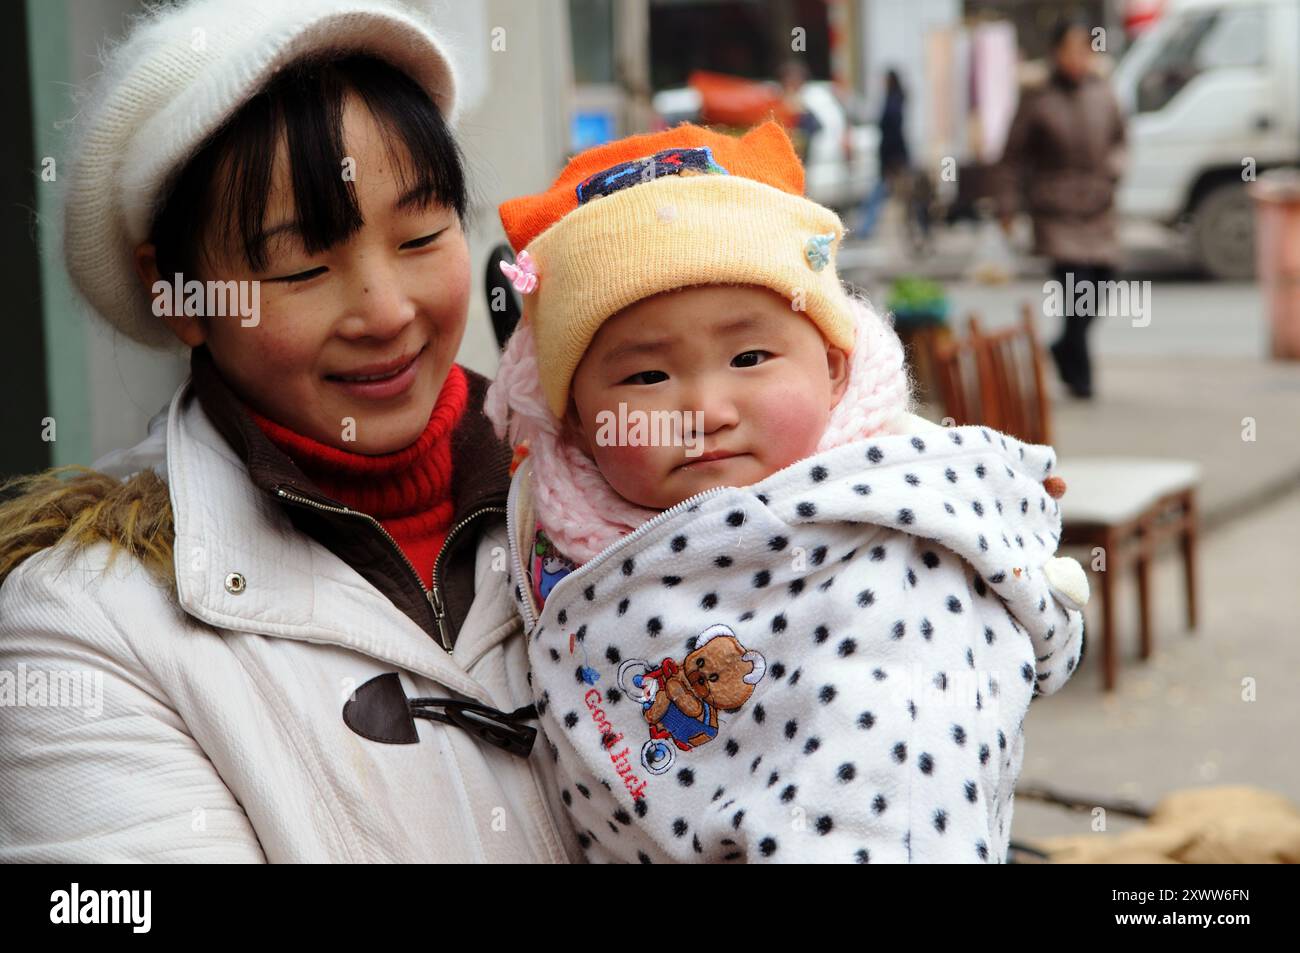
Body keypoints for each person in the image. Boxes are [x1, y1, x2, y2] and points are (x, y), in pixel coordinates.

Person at [0, 0, 579, 862]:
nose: (387, 312)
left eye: (422, 234)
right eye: (302, 266)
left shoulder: (609, 495)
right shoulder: (84, 627)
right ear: (179, 292)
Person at [484, 122, 1092, 862]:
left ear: (835, 367)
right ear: (572, 420)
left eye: (749, 356)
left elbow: (891, 817)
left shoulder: (892, 567)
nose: (706, 410)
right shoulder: (542, 534)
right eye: (646, 375)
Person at [996, 18, 1128, 399]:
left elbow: (1121, 139)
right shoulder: (1038, 98)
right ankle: (1082, 376)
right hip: (1057, 211)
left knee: (1102, 282)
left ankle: (1064, 348)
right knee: (1077, 287)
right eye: (1069, 50)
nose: (1077, 58)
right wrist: (1006, 206)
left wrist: (1115, 169)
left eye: (1084, 50)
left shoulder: (1103, 92)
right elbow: (1011, 158)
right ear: (1056, 53)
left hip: (1099, 207)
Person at [856, 68, 913, 239]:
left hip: (892, 155)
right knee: (884, 193)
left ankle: (865, 228)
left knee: (881, 193)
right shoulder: (894, 100)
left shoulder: (893, 102)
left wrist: (891, 158)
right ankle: (865, 227)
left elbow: (891, 129)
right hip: (893, 154)